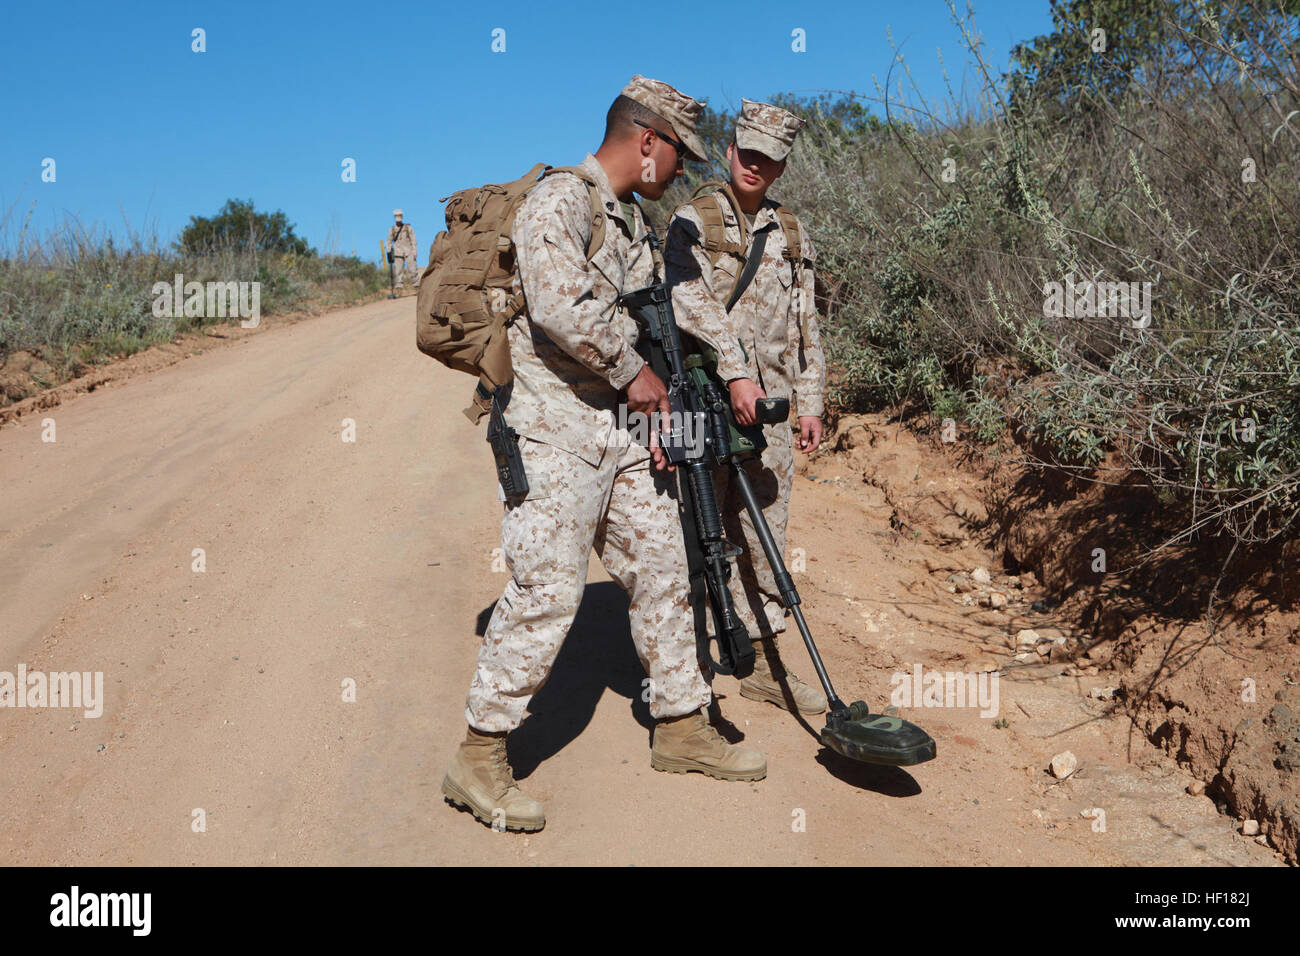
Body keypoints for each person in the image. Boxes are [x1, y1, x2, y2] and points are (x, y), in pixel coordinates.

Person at [442, 76, 767, 834]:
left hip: (622, 431)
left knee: (663, 568)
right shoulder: (562, 198)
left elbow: (659, 313)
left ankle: (683, 722)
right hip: (553, 430)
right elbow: (558, 306)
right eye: (677, 156)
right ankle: (480, 752)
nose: (680, 173)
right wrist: (635, 374)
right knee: (548, 588)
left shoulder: (632, 221)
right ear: (645, 138)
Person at [664, 99, 828, 716]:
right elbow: (686, 302)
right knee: (697, 530)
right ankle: (689, 669)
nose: (754, 165)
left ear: (782, 166)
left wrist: (809, 400)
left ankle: (766, 662)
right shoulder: (695, 219)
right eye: (746, 151)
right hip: (707, 402)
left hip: (771, 413)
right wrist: (734, 373)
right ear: (730, 148)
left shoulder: (790, 231)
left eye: (769, 158)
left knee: (767, 532)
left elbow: (806, 321)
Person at [388, 209, 417, 293]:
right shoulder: (392, 230)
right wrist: (389, 252)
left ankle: (417, 287)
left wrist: (415, 251)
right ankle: (399, 289)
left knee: (413, 269)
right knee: (398, 271)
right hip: (398, 252)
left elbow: (413, 240)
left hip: (409, 251)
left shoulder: (408, 228)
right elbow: (389, 241)